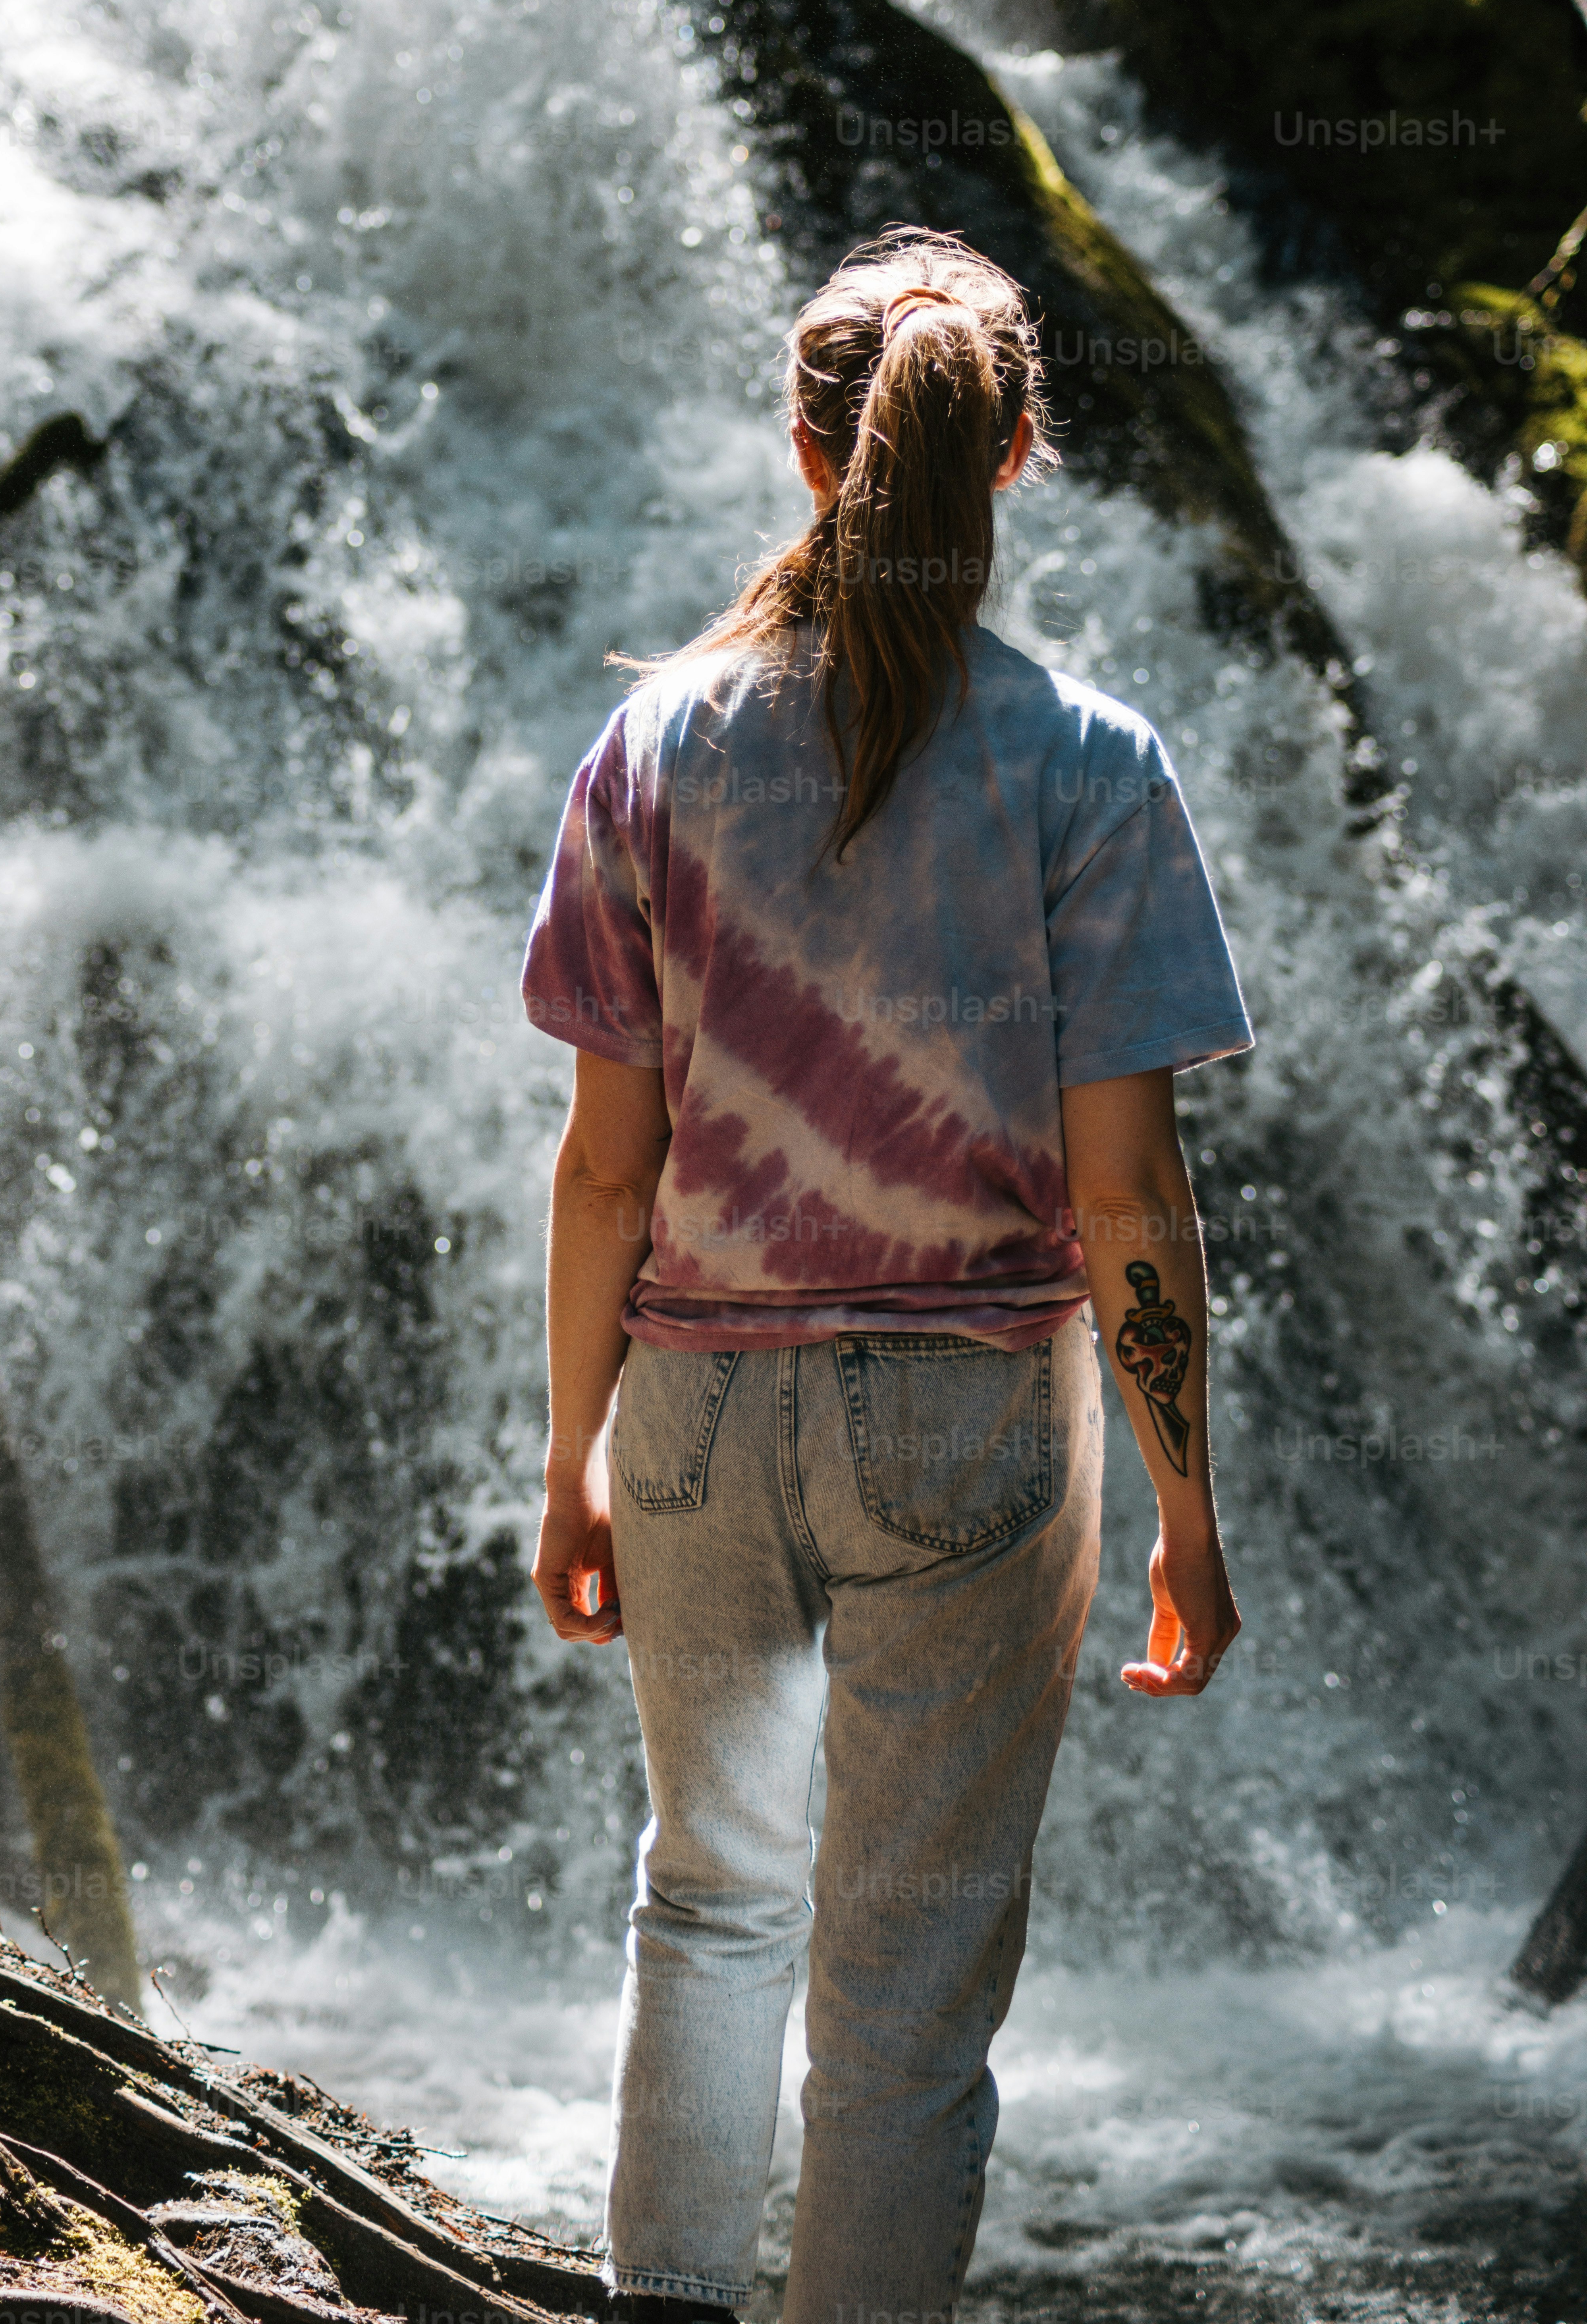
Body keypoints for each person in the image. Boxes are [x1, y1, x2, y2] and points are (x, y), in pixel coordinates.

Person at [521, 228, 1248, 2324]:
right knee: (907, 1990)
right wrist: (1188, 1510)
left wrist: (574, 1456)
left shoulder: (654, 746)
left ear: (806, 443)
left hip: (693, 1410)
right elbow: (1130, 1191)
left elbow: (606, 1165)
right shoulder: (1090, 763)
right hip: (969, 1416)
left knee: (709, 1906)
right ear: (1012, 453)